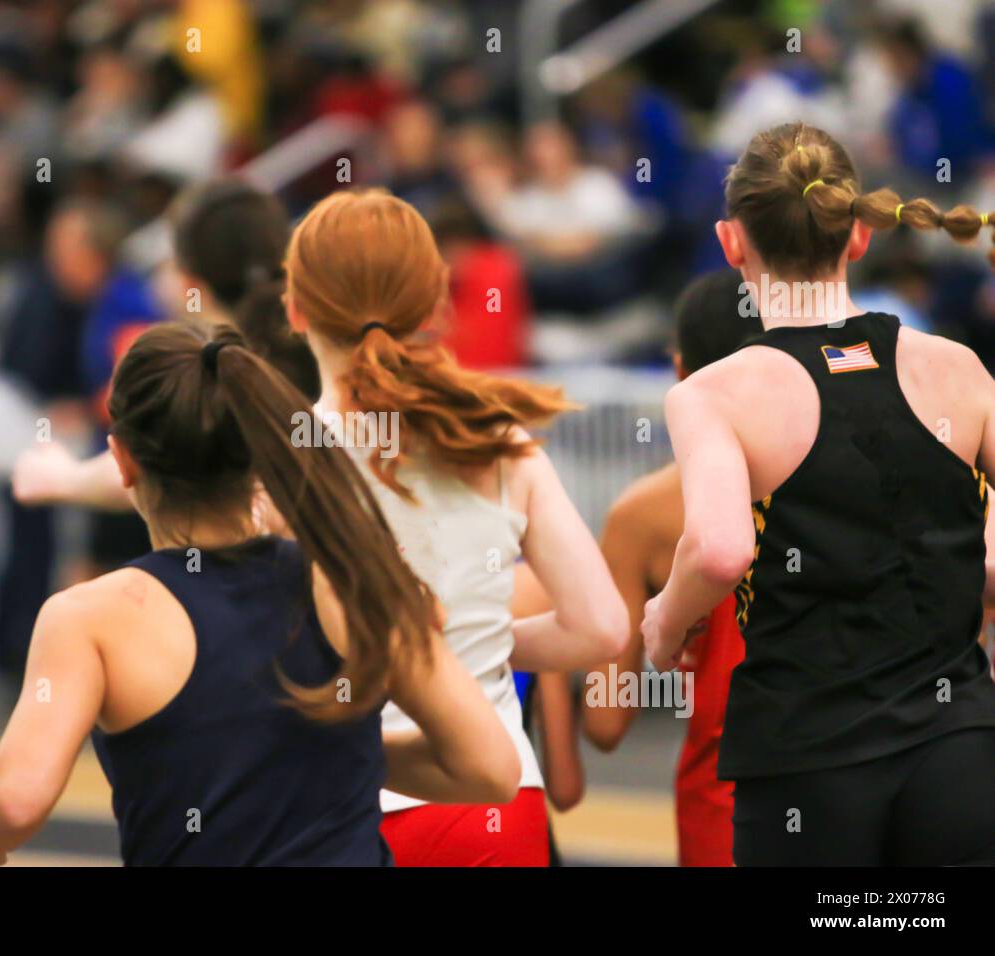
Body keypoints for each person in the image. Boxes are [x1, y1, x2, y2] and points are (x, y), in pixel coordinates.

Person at [0, 322, 521, 867]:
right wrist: (338, 752)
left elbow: (14, 801)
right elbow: (490, 770)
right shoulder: (351, 575)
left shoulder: (90, 617)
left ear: (123, 462)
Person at [640, 121, 995, 866]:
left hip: (808, 763)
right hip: (958, 749)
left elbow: (719, 548)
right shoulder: (956, 368)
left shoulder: (716, 393)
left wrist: (665, 623)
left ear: (732, 242)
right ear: (858, 236)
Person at [284, 189, 627, 866]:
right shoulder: (496, 439)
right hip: (495, 806)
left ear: (294, 310)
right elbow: (603, 629)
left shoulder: (283, 456)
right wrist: (486, 644)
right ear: (435, 304)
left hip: (343, 803)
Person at [581, 269, 760, 866]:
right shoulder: (856, 480)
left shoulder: (642, 515)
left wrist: (550, 661)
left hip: (722, 814)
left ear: (680, 372)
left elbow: (605, 723)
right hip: (854, 799)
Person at [11, 178, 317, 510]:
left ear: (188, 281)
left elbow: (160, 463)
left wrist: (64, 477)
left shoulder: (211, 374)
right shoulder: (314, 347)